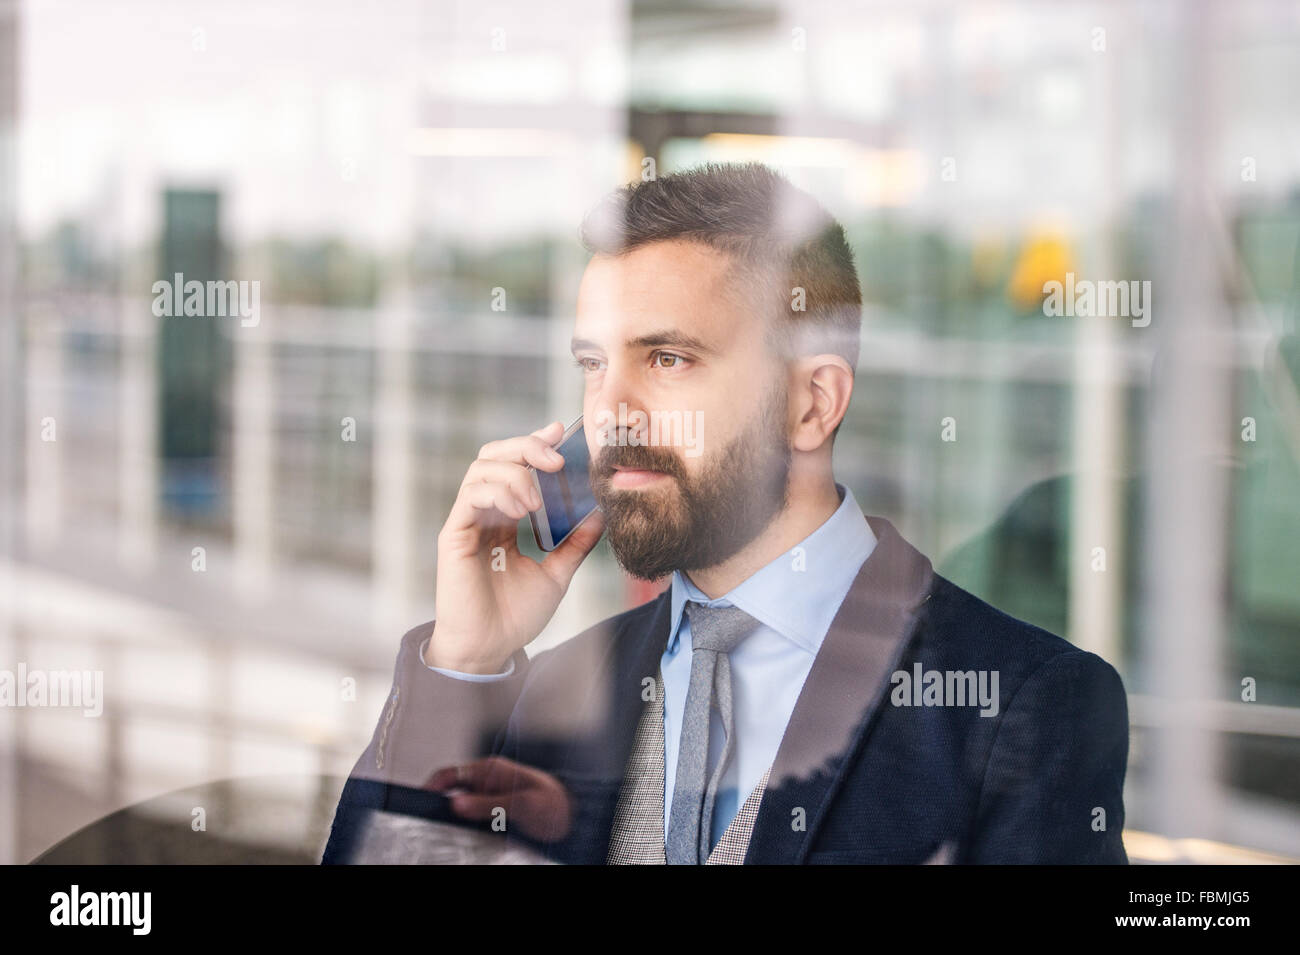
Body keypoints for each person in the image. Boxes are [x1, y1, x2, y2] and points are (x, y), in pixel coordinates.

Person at [322, 162, 1129, 865]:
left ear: (813, 404)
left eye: (667, 358)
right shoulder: (552, 690)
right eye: (593, 365)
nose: (610, 413)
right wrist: (463, 663)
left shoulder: (1019, 706)